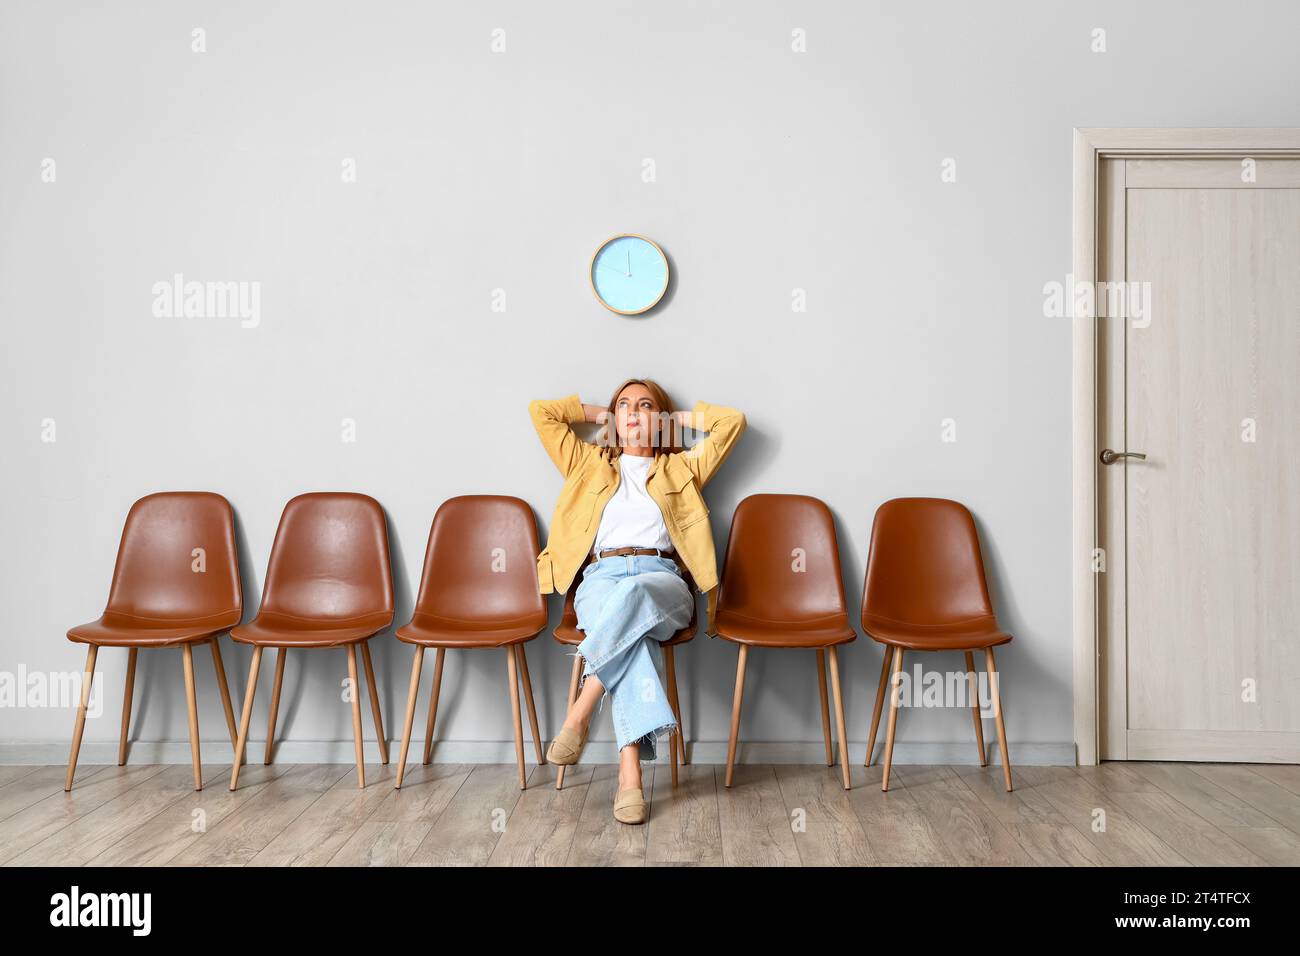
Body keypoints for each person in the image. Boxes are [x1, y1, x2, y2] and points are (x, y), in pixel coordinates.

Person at [528, 378, 746, 823]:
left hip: (662, 580)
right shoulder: (587, 462)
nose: (632, 411)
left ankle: (582, 710)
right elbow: (542, 412)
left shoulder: (681, 469)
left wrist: (672, 421)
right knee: (635, 640)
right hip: (600, 580)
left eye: (645, 406)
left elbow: (731, 423)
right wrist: (599, 415)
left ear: (660, 419)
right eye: (623, 405)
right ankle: (630, 778)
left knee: (636, 597)